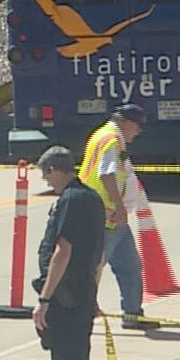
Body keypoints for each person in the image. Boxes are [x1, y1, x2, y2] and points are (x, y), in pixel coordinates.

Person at [30, 145, 104, 360]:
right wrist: (93, 295)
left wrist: (45, 299)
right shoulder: (92, 198)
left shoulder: (71, 201)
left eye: (46, 175)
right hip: (83, 294)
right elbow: (98, 256)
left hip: (66, 299)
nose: (47, 182)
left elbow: (62, 253)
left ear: (53, 170)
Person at [77, 104, 147, 329]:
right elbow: (106, 174)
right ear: (126, 123)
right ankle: (83, 313)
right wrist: (118, 206)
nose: (138, 133)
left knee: (130, 266)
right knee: (95, 267)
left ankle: (133, 314)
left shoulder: (103, 134)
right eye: (137, 127)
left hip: (112, 217)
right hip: (106, 216)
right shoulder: (112, 140)